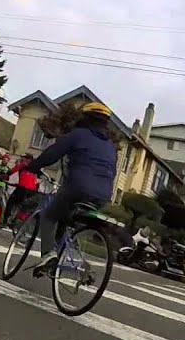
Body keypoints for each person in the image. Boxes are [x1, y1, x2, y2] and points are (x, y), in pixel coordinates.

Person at [27, 103, 119, 274]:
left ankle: (48, 255)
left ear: (85, 118)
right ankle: (58, 254)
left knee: (48, 216)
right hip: (103, 195)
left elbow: (51, 154)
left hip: (78, 188)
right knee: (66, 216)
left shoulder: (77, 135)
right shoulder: (111, 147)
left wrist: (32, 166)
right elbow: (112, 171)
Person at [1, 154, 41, 226]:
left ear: (27, 159)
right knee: (21, 204)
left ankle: (5, 221)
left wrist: (4, 176)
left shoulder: (23, 164)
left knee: (10, 202)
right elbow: (37, 178)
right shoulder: (36, 166)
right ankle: (15, 220)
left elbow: (12, 171)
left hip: (23, 188)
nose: (22, 159)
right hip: (32, 191)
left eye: (23, 158)